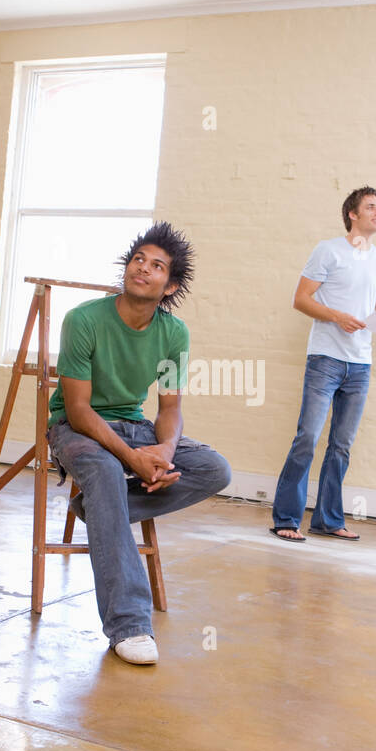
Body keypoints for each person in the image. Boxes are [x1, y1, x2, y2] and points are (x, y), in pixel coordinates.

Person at [48, 222, 232, 665]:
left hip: (134, 424)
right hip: (77, 429)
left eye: (156, 266)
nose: (143, 269)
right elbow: (78, 410)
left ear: (169, 286)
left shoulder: (174, 334)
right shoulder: (85, 319)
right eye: (138, 260)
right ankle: (129, 625)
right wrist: (134, 458)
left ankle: (99, 510)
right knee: (109, 472)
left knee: (213, 468)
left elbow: (169, 408)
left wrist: (164, 455)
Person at [269, 186, 376, 542]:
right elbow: (301, 300)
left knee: (341, 445)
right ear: (352, 214)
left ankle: (327, 520)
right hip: (325, 359)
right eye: (371, 206)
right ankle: (287, 519)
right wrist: (337, 316)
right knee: (307, 437)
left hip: (360, 365)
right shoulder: (328, 250)